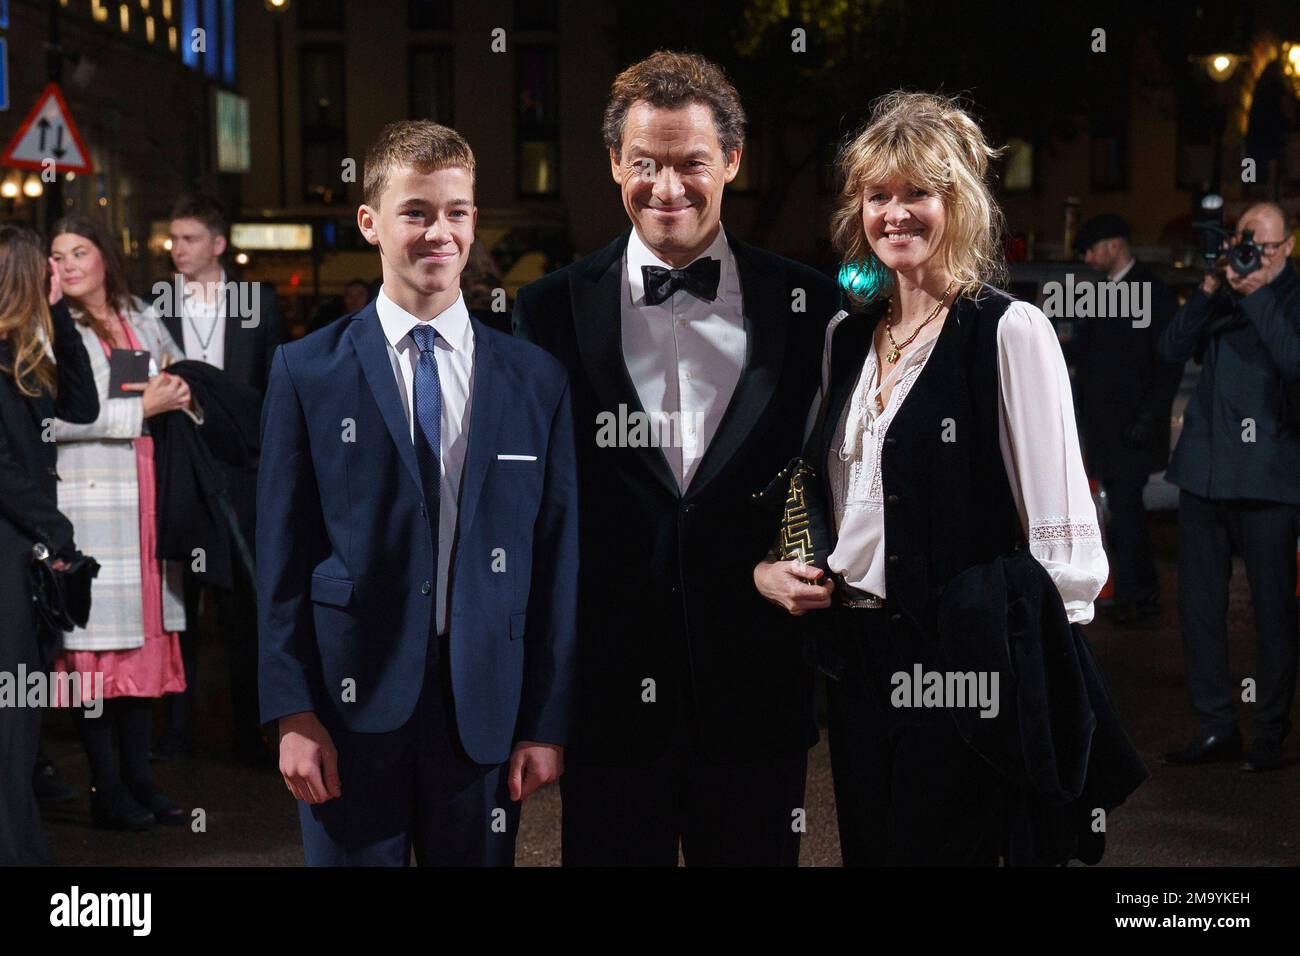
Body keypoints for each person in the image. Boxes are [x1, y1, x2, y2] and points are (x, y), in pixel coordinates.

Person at [755, 91, 1112, 864]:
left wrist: (1036, 694)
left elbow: (1062, 549)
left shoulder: (1009, 331)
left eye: (918, 192)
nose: (896, 213)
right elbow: (835, 496)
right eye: (878, 195)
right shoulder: (845, 337)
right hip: (854, 659)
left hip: (964, 666)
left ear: (960, 201)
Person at [514, 51, 840, 866]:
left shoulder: (810, 306)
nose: (668, 187)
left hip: (757, 681)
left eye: (691, 162)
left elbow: (837, 465)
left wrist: (803, 560)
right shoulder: (547, 310)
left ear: (731, 160)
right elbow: (533, 506)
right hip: (609, 690)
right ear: (614, 164)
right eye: (645, 163)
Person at [258, 120, 577, 866]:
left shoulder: (537, 380)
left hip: (485, 713)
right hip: (345, 708)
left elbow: (557, 561)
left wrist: (546, 719)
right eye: (417, 212)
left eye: (457, 212)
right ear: (371, 222)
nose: (440, 232)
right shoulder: (306, 372)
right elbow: (279, 555)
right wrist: (291, 711)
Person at [49, 215, 196, 830]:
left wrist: (178, 390)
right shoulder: (54, 326)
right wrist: (139, 409)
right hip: (87, 508)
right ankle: (107, 792)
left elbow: (169, 378)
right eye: (56, 257)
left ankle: (141, 782)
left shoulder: (136, 314)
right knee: (95, 662)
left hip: (144, 501)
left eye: (79, 252)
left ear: (105, 255)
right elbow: (50, 421)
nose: (67, 266)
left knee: (138, 656)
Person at [1158, 201, 1300, 772]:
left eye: (1264, 245)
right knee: (1198, 612)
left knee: (1273, 616)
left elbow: (1294, 363)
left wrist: (1258, 292)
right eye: (1246, 241)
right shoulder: (1222, 292)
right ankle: (1217, 726)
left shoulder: (1288, 297)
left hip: (1269, 483)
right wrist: (1214, 285)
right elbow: (1168, 350)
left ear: (1287, 247)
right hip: (1203, 477)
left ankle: (1268, 733)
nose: (1253, 253)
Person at [156, 194, 283, 766]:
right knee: (178, 604)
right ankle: (174, 733)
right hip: (179, 468)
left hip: (242, 473)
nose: (175, 249)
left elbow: (274, 387)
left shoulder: (257, 302)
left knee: (243, 609)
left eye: (187, 239)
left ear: (217, 244)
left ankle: (249, 733)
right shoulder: (151, 306)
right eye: (172, 239)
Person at [0, 223, 98, 863]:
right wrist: (56, 530)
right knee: (12, 717)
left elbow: (84, 405)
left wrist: (61, 317)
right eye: (49, 271)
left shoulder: (20, 353)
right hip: (9, 554)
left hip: (21, 551)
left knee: (21, 716)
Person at [1073, 213, 1183, 625]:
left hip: (1133, 431)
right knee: (1122, 515)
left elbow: (1167, 363)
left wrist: (1148, 416)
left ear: (1114, 244)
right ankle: (1133, 593)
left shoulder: (1153, 294)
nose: (1087, 258)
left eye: (1091, 248)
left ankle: (1139, 595)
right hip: (1108, 429)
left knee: (1127, 514)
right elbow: (1087, 358)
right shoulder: (1104, 292)